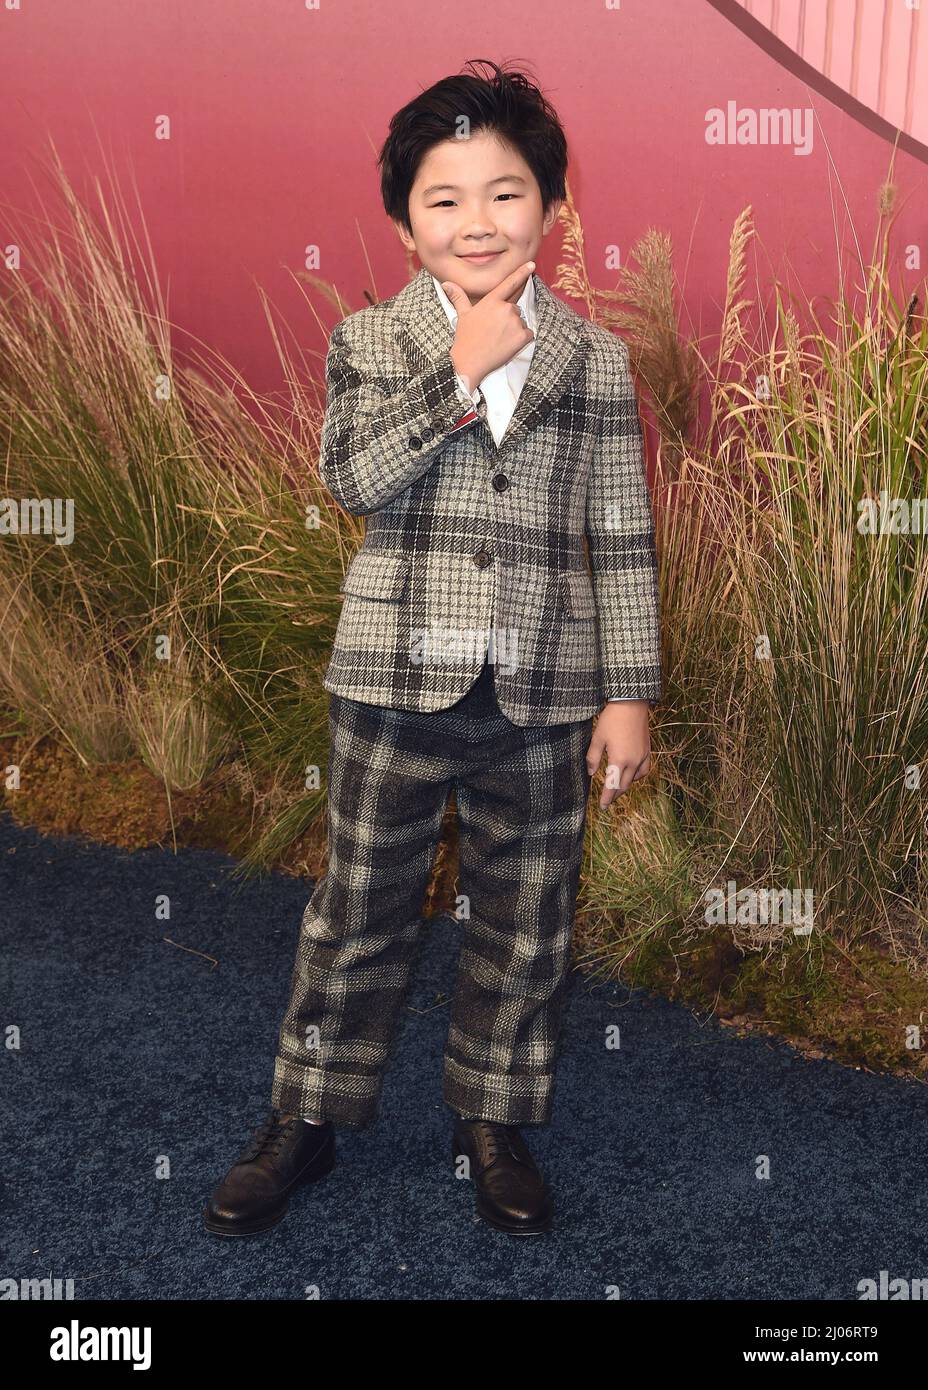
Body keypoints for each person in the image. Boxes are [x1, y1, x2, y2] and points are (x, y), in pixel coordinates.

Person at [204, 57, 662, 1240]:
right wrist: (458, 373)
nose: (476, 222)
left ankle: (493, 1119)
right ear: (404, 223)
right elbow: (353, 477)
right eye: (443, 199)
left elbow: (619, 534)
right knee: (357, 909)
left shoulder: (595, 360)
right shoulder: (370, 341)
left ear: (550, 210)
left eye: (504, 193)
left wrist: (629, 693)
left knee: (527, 916)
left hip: (544, 693)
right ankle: (303, 1118)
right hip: (389, 686)